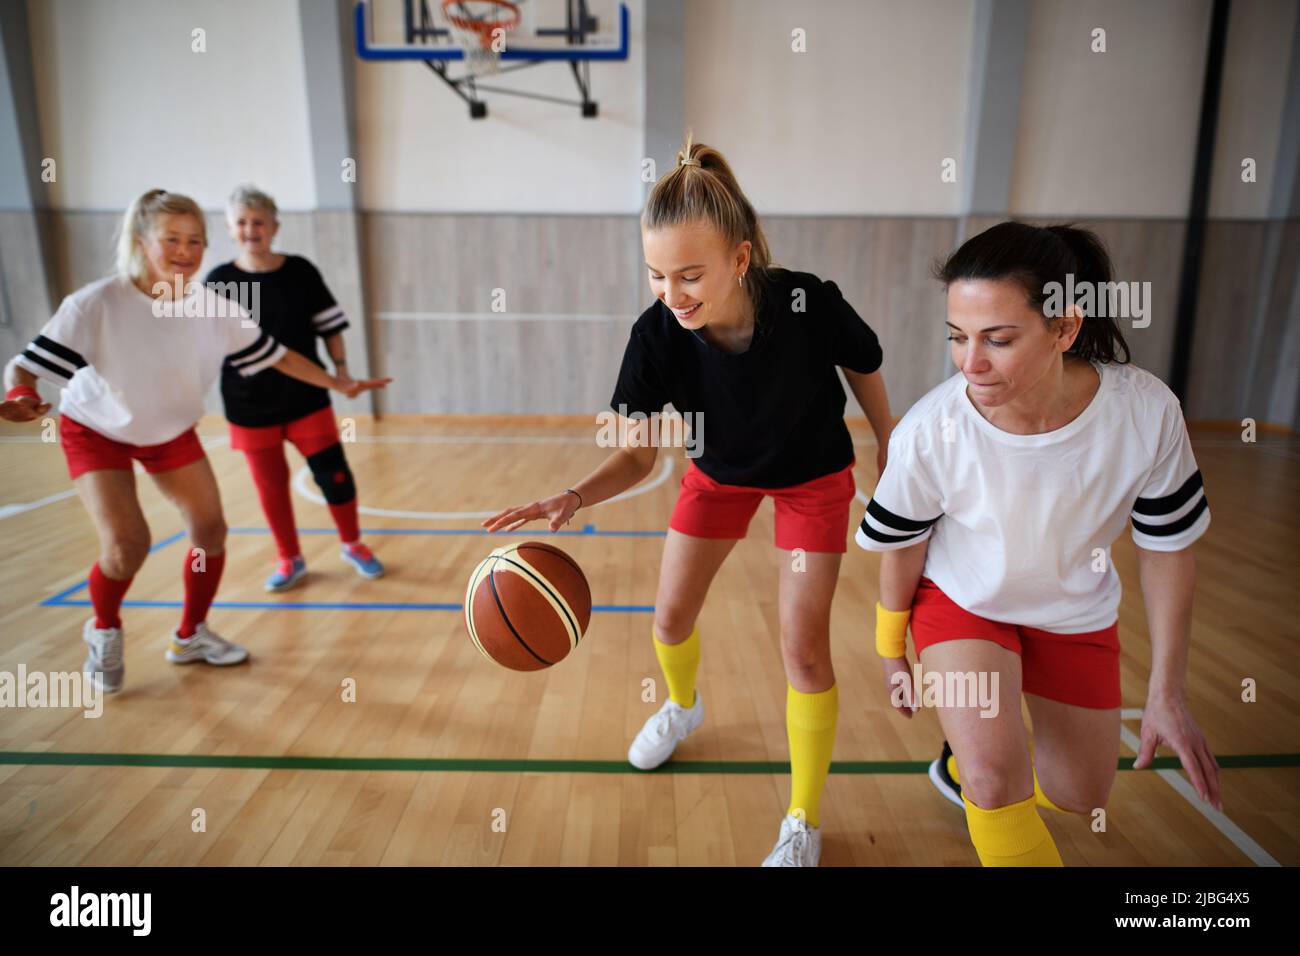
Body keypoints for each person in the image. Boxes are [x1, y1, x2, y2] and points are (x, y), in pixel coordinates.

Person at [483, 136, 895, 866]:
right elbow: (637, 450)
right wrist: (575, 493)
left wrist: (889, 442)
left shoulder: (806, 300)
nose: (672, 294)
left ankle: (802, 819)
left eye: (690, 275)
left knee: (803, 649)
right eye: (656, 275)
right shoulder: (656, 337)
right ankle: (682, 705)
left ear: (740, 260)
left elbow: (864, 360)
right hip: (719, 474)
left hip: (812, 479)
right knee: (669, 619)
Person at [858, 221, 1219, 866]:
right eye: (958, 338)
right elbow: (903, 545)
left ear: (1065, 328)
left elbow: (1166, 547)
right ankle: (977, 759)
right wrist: (891, 649)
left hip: (1073, 613)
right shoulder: (932, 429)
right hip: (962, 603)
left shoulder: (1146, 413)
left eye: (997, 339)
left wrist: (1168, 686)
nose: (972, 363)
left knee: (1078, 794)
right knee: (997, 785)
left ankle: (962, 755)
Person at [1, 189, 388, 693]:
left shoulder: (215, 307)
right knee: (128, 546)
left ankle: (191, 635)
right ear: (141, 241)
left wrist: (340, 382)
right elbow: (24, 365)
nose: (185, 251)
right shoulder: (96, 303)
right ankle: (103, 628)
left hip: (170, 432)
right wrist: (19, 393)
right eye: (172, 240)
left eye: (195, 241)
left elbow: (282, 356)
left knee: (209, 531)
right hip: (98, 432)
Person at [207, 186, 384, 592]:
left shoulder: (300, 271)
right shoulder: (219, 282)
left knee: (334, 475)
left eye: (258, 221)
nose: (250, 229)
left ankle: (352, 544)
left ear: (274, 227)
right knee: (270, 486)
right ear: (230, 229)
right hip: (248, 404)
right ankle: (289, 558)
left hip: (307, 398)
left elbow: (330, 327)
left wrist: (342, 372)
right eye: (242, 222)